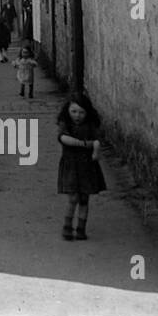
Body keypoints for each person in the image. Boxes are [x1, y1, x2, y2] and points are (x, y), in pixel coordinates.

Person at [57, 96, 106, 240]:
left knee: (84, 198)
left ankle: (81, 229)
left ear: (87, 113)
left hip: (87, 166)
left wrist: (96, 149)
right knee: (73, 197)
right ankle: (67, 227)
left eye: (81, 112)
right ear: (68, 110)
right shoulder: (65, 124)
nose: (77, 115)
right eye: (73, 111)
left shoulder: (90, 125)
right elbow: (63, 138)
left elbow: (97, 141)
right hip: (71, 165)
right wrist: (85, 144)